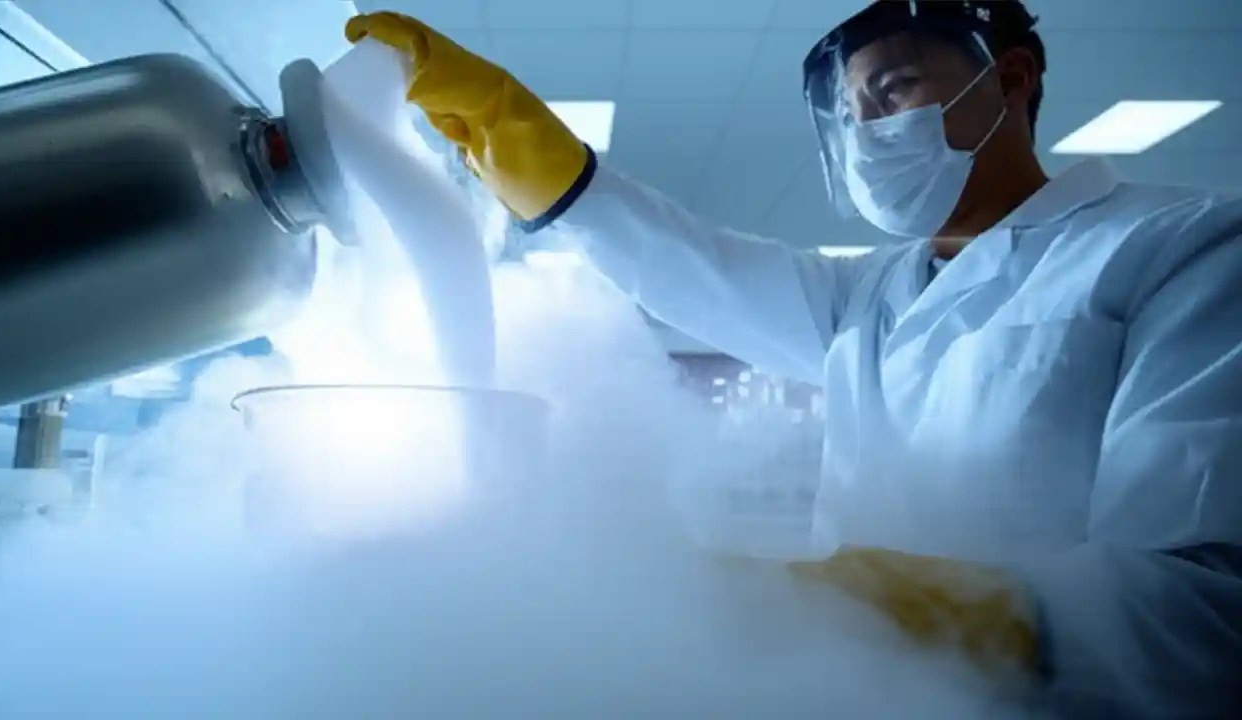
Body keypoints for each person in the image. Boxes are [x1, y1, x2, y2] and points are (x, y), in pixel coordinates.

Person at [344, 1, 1242, 715]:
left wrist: (922, 607)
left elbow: (1204, 615)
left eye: (891, 90)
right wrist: (524, 144)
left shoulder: (1182, 248)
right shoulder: (872, 293)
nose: (866, 130)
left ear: (1010, 79)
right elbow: (690, 268)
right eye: (850, 113)